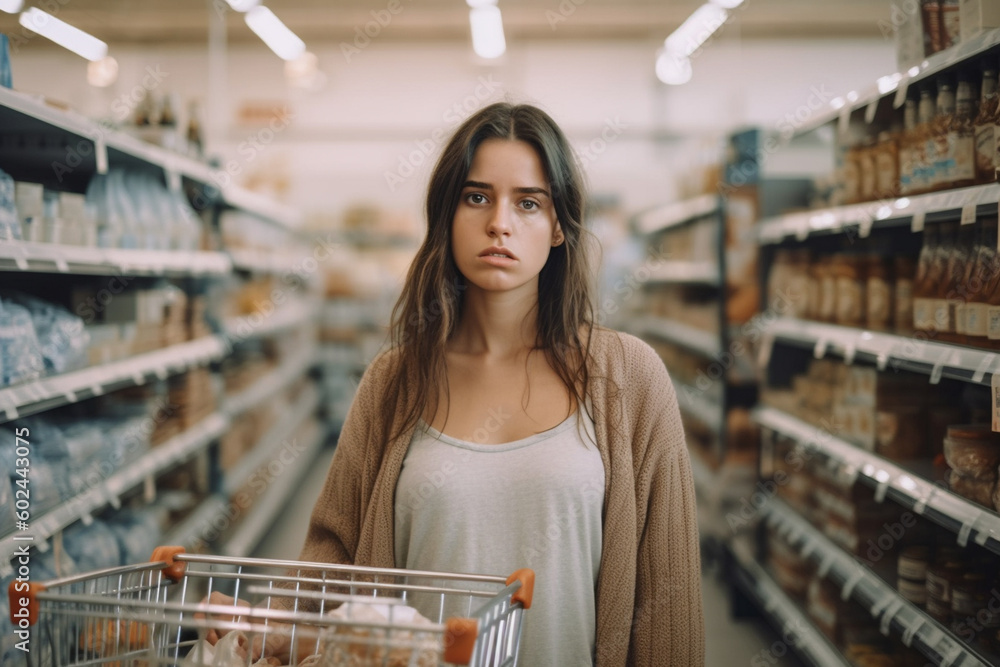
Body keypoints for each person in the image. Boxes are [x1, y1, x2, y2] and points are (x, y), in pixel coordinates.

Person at [208, 102, 705, 666]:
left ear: (558, 226)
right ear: (447, 214)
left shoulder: (629, 379)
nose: (500, 223)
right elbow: (335, 553)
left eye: (528, 202)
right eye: (476, 197)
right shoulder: (393, 381)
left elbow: (667, 601)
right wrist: (268, 624)